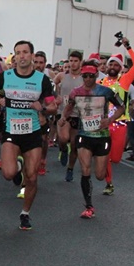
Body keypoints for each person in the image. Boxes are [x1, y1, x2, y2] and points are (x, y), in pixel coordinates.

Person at [0, 40, 57, 231]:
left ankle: (25, 214)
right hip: (11, 131)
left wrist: (42, 107)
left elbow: (53, 106)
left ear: (32, 56)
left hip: (33, 132)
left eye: (25, 52)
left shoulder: (41, 80)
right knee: (8, 173)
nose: (21, 56)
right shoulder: (4, 77)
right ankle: (18, 165)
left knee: (32, 177)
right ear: (14, 56)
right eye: (18, 52)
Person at [61, 62, 125, 219]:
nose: (88, 79)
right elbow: (69, 106)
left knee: (99, 175)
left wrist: (109, 121)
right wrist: (63, 117)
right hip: (84, 135)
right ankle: (89, 206)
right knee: (85, 170)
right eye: (85, 76)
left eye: (91, 76)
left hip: (102, 136)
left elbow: (122, 107)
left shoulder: (106, 91)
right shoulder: (76, 92)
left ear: (96, 75)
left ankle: (101, 180)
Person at [97, 36, 134, 195]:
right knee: (106, 156)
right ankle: (109, 183)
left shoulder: (124, 81)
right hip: (104, 125)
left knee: (116, 158)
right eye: (111, 64)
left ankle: (107, 173)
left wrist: (127, 46)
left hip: (120, 124)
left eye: (117, 64)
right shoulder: (100, 83)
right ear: (107, 66)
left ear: (121, 68)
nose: (113, 66)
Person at [54, 50, 84, 181]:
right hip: (63, 112)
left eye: (75, 61)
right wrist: (57, 97)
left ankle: (70, 168)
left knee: (74, 144)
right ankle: (62, 149)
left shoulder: (84, 77)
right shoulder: (62, 76)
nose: (73, 63)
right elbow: (54, 87)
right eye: (71, 61)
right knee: (63, 137)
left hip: (78, 113)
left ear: (80, 62)